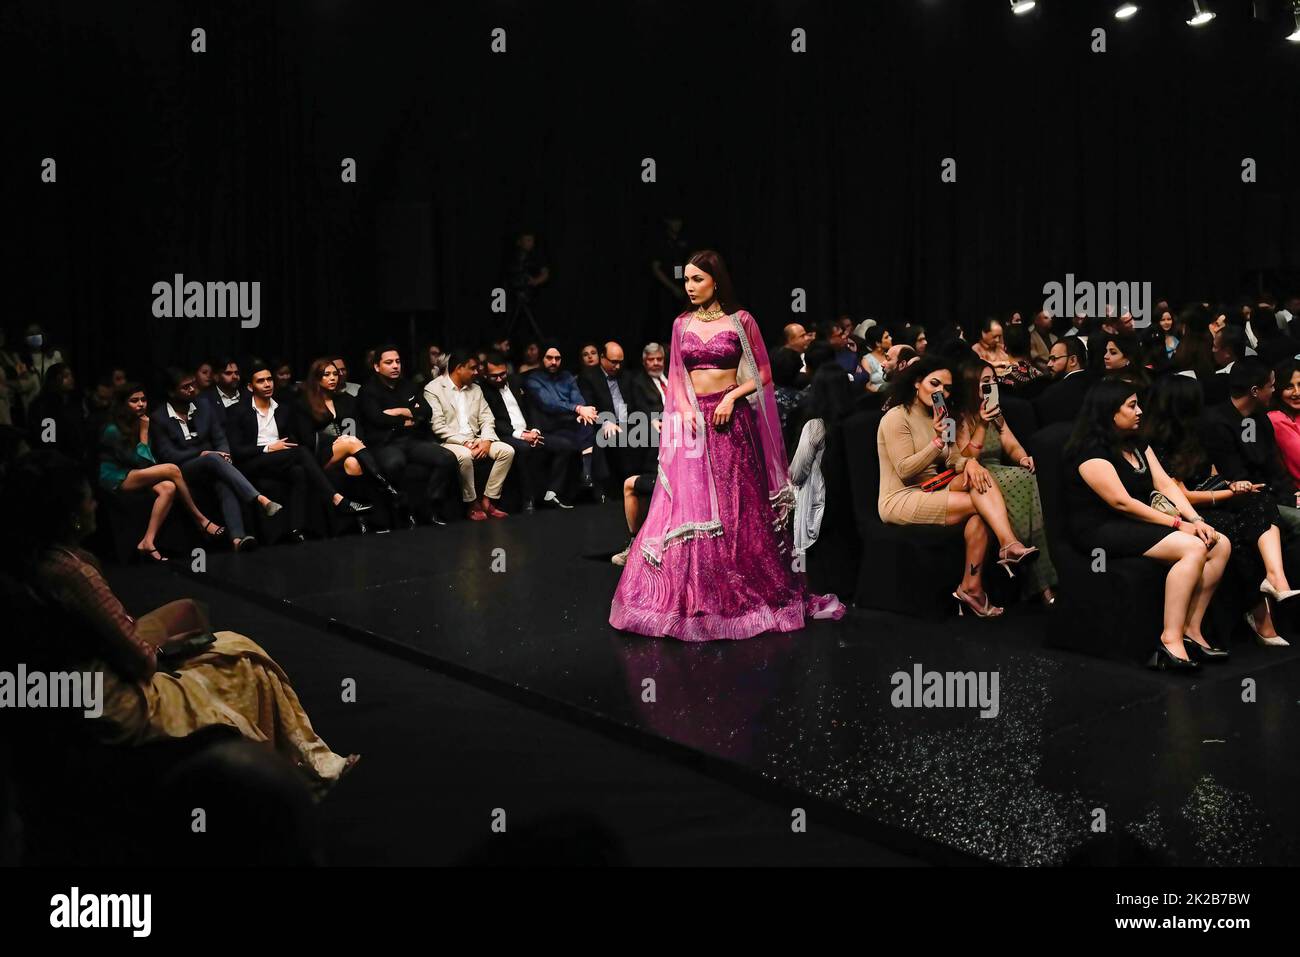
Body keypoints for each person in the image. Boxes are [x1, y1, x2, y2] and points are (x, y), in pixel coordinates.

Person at [2, 450, 359, 798]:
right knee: (242, 656)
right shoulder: (74, 573)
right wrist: (162, 648)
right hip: (116, 697)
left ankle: (296, 768)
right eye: (86, 499)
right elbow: (139, 661)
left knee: (202, 622)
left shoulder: (38, 562)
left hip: (89, 680)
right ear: (69, 514)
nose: (94, 504)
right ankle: (282, 778)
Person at [609, 250, 845, 640]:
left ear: (715, 281)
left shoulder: (741, 320)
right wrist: (684, 410)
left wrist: (732, 398)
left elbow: (764, 373)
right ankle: (688, 601)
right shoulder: (680, 323)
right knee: (690, 506)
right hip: (692, 423)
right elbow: (678, 375)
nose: (689, 286)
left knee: (738, 507)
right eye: (686, 280)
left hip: (731, 423)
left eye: (697, 279)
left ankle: (738, 595)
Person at [1064, 379, 1231, 670]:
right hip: (1099, 528)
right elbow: (1121, 503)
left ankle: (1192, 630)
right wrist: (1179, 524)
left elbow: (1165, 483)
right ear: (1109, 412)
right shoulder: (1090, 452)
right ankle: (1170, 641)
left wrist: (1196, 519)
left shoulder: (1138, 441)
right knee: (1192, 548)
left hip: (1134, 520)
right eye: (1132, 405)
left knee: (1219, 543)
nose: (1140, 411)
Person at [876, 357, 1038, 618]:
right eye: (934, 383)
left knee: (980, 477)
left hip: (933, 488)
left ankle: (972, 586)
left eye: (947, 387)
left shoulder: (942, 417)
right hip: (901, 497)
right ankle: (1007, 545)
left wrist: (969, 464)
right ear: (918, 383)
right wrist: (938, 442)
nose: (941, 391)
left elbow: (952, 460)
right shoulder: (896, 418)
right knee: (980, 505)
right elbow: (906, 469)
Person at [1145, 374, 1293, 647]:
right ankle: (1260, 615)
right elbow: (1181, 495)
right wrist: (1226, 493)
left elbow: (1214, 474)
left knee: (1260, 502)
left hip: (1213, 496)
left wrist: (1234, 486)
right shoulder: (1156, 443)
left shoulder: (1199, 433)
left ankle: (1276, 576)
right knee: (1237, 534)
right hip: (1186, 510)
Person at [227, 360, 372, 542]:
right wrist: (267, 447)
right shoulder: (237, 411)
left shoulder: (283, 408)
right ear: (250, 386)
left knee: (300, 472)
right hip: (254, 460)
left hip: (281, 459)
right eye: (261, 381)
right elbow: (236, 450)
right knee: (302, 453)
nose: (267, 384)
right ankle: (337, 499)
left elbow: (292, 438)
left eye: (269, 380)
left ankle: (296, 530)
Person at [953, 360, 1058, 605]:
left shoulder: (996, 411)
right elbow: (964, 458)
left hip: (1000, 470)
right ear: (970, 386)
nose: (990, 386)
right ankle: (1041, 584)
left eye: (993, 381)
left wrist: (1023, 457)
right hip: (974, 473)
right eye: (984, 382)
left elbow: (1010, 443)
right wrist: (981, 423)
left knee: (1030, 475)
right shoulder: (958, 417)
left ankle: (1030, 563)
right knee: (1020, 480)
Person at [150, 367, 282, 552]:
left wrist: (224, 455)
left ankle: (237, 539)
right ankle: (260, 499)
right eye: (185, 387)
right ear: (171, 392)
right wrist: (203, 453)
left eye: (193, 385)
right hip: (181, 470)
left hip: (212, 465)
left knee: (224, 483)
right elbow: (168, 455)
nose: (191, 390)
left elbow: (220, 438)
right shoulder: (159, 418)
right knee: (212, 458)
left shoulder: (203, 406)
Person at [98, 384, 224, 562]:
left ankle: (148, 541)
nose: (141, 404)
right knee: (172, 469)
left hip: (135, 471)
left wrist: (143, 430)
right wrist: (143, 432)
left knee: (168, 487)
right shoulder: (112, 430)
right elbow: (140, 461)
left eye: (143, 399)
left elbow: (145, 461)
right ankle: (200, 519)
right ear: (123, 404)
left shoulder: (140, 421)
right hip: (115, 475)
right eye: (134, 401)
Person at [357, 345, 458, 526]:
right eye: (389, 362)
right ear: (377, 367)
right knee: (395, 463)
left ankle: (431, 505)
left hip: (412, 440)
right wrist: (409, 416)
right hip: (385, 443)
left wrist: (398, 412)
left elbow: (426, 411)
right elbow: (376, 418)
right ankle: (403, 508)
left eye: (397, 361)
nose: (395, 366)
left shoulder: (409, 385)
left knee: (448, 458)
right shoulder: (368, 390)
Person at [1199, 357, 1300, 538]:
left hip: (1271, 494)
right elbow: (1239, 477)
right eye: (1271, 386)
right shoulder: (1216, 424)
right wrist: (1288, 499)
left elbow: (1271, 465)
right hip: (1246, 501)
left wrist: (1293, 494)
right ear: (1255, 391)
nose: (1274, 390)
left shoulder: (1257, 418)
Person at [299, 358, 400, 524]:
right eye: (327, 375)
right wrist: (339, 440)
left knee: (353, 463)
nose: (333, 378)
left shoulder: (345, 400)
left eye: (335, 374)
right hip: (320, 455)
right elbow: (306, 439)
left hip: (349, 450)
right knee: (350, 442)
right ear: (317, 378)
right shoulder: (305, 403)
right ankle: (387, 487)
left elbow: (355, 428)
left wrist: (347, 440)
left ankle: (361, 519)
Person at [424, 351, 514, 520]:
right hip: (450, 441)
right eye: (472, 368)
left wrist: (486, 440)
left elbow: (487, 418)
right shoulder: (433, 389)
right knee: (465, 456)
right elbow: (439, 427)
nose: (476, 372)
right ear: (459, 368)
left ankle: (488, 499)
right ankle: (472, 503)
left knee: (507, 451)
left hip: (477, 438)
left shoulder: (476, 389)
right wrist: (465, 442)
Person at [789, 361, 853, 560]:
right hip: (851, 505)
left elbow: (797, 472)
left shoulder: (815, 426)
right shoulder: (856, 421)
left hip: (819, 507)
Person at [523, 343, 600, 507]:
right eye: (549, 358)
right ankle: (567, 488)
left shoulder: (567, 376)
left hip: (567, 424)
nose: (553, 362)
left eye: (557, 358)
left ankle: (587, 478)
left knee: (588, 424)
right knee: (576, 440)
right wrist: (578, 409)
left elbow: (577, 397)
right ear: (542, 358)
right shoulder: (533, 379)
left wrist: (582, 411)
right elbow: (548, 403)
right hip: (547, 428)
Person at [481, 351, 549, 512]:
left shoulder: (516, 381)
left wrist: (534, 430)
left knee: (547, 443)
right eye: (494, 376)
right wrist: (522, 435)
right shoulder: (484, 391)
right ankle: (528, 499)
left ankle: (547, 495)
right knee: (524, 448)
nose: (499, 379)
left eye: (502, 374)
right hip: (505, 434)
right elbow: (494, 421)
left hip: (528, 429)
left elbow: (531, 407)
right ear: (485, 375)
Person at [1034, 337, 1092, 426]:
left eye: (1054, 359)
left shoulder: (1054, 392)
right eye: (1049, 359)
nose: (1049, 364)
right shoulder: (1097, 383)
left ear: (1073, 360)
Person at [860, 325, 891, 393]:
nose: (890, 338)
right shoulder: (867, 360)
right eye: (886, 337)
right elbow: (868, 385)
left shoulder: (890, 356)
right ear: (878, 343)